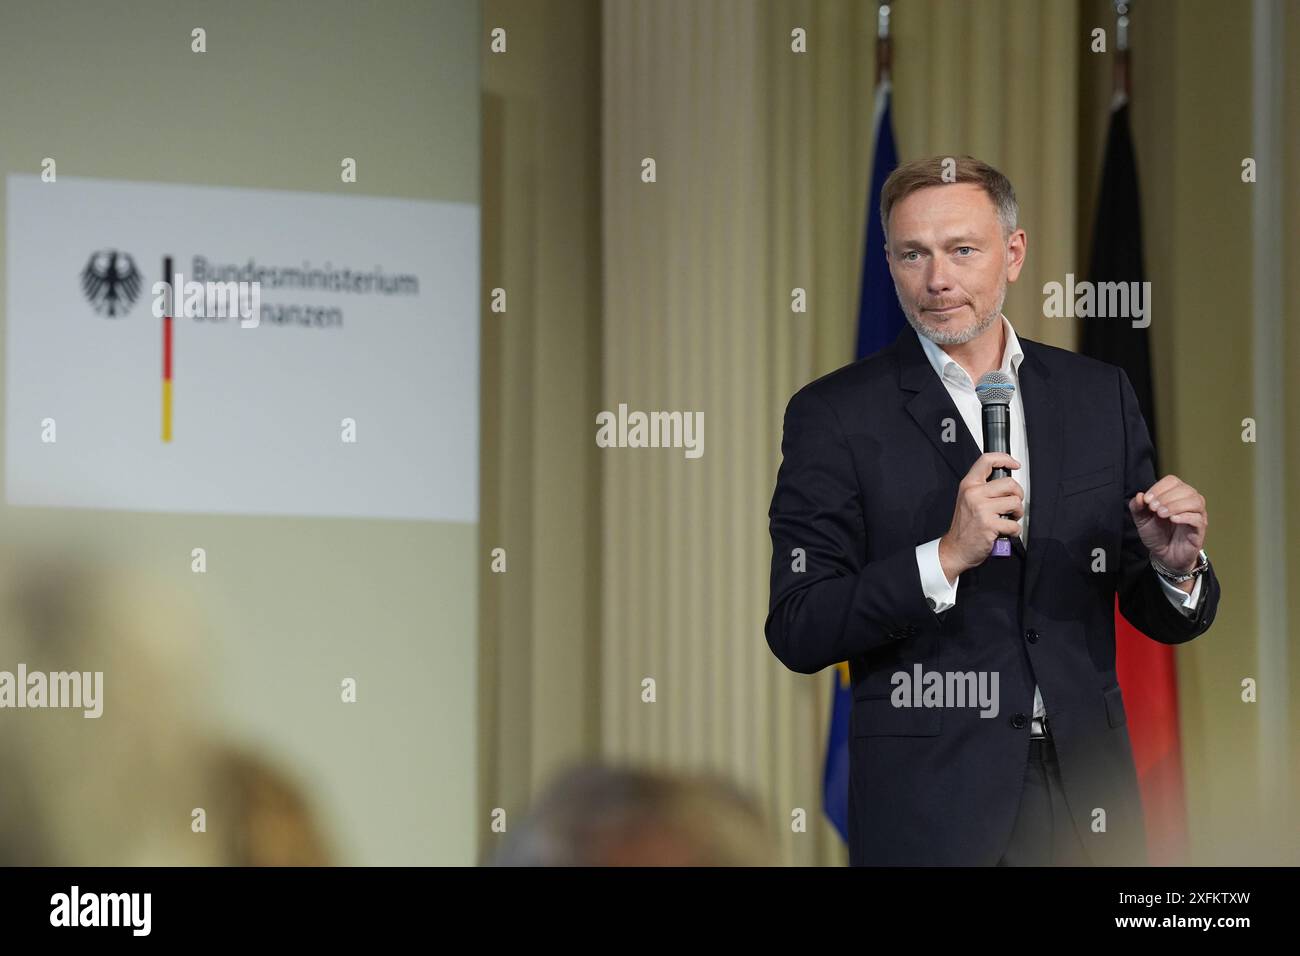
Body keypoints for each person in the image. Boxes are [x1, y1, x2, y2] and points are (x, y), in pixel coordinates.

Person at [764, 155, 1219, 866]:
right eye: (913, 254)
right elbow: (799, 625)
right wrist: (944, 558)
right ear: (888, 261)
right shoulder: (835, 415)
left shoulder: (1097, 395)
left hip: (1087, 806)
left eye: (962, 250)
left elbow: (1148, 606)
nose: (936, 278)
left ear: (1013, 254)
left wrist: (1173, 569)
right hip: (931, 808)